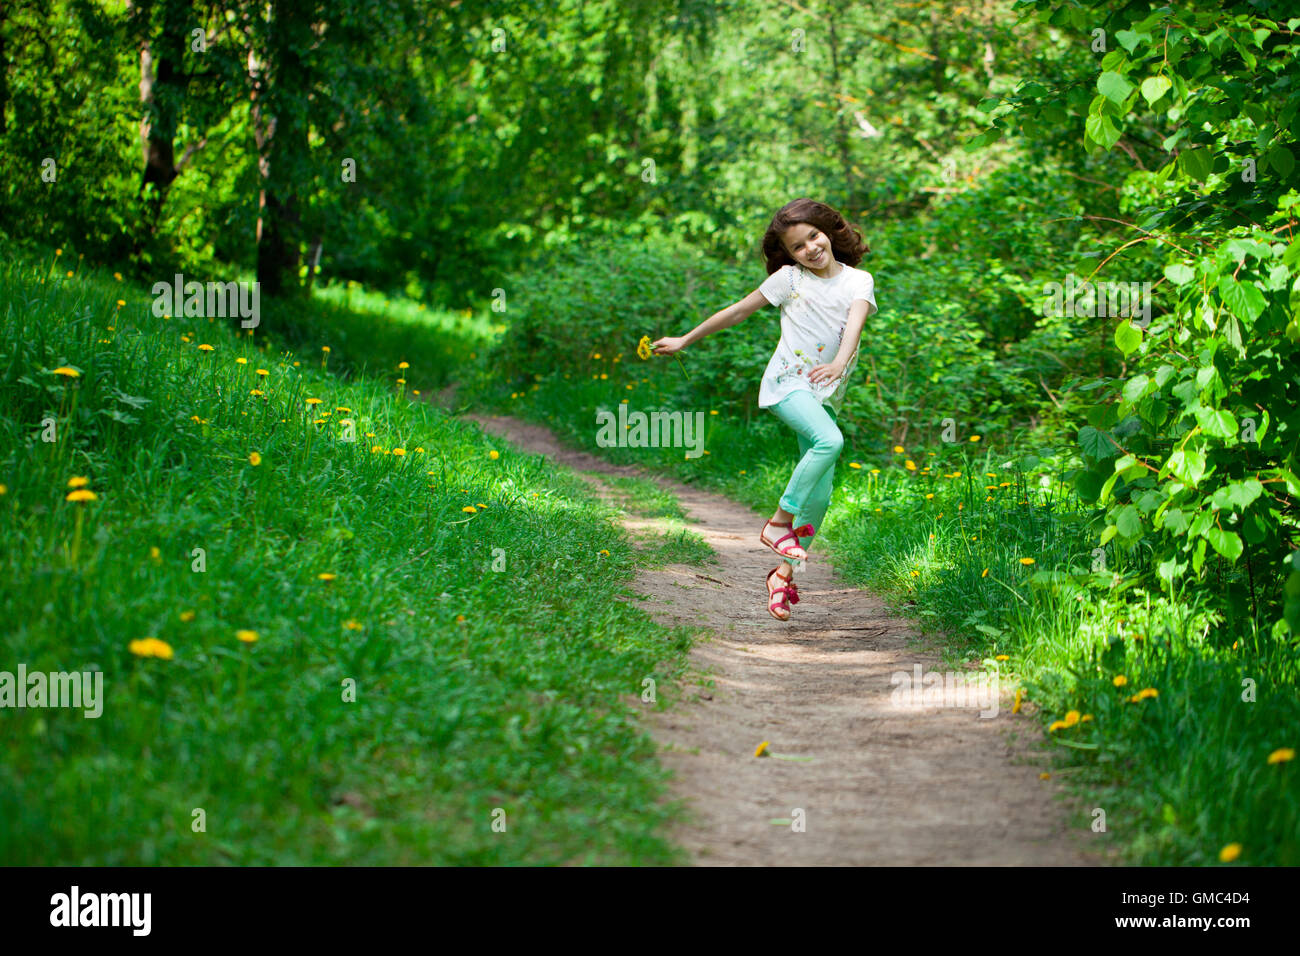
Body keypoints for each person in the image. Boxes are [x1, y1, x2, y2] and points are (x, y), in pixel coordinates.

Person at [650, 198, 877, 622]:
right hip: (788, 384)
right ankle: (778, 522)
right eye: (797, 246)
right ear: (788, 256)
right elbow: (738, 311)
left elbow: (854, 328)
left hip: (823, 395)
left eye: (813, 236)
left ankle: (783, 575)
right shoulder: (789, 280)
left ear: (828, 232)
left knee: (822, 495)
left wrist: (839, 363)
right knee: (830, 441)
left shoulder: (858, 281)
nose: (809, 248)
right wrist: (685, 339)